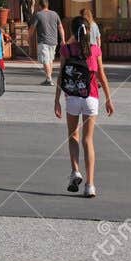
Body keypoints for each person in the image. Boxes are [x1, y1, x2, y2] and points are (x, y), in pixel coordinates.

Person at [54, 12, 115, 197]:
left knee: (73, 136)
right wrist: (109, 98)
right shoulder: (95, 49)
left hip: (71, 96)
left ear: (73, 31)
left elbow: (61, 75)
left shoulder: (66, 50)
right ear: (88, 31)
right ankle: (90, 185)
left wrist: (56, 99)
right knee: (88, 140)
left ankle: (75, 171)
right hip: (91, 98)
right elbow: (101, 76)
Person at [31, 0, 63, 85]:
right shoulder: (55, 14)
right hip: (54, 41)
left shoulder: (38, 15)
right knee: (50, 60)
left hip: (43, 41)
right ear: (47, 5)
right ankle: (48, 78)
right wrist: (63, 39)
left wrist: (29, 37)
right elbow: (60, 27)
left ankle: (49, 79)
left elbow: (32, 28)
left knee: (45, 60)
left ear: (40, 6)